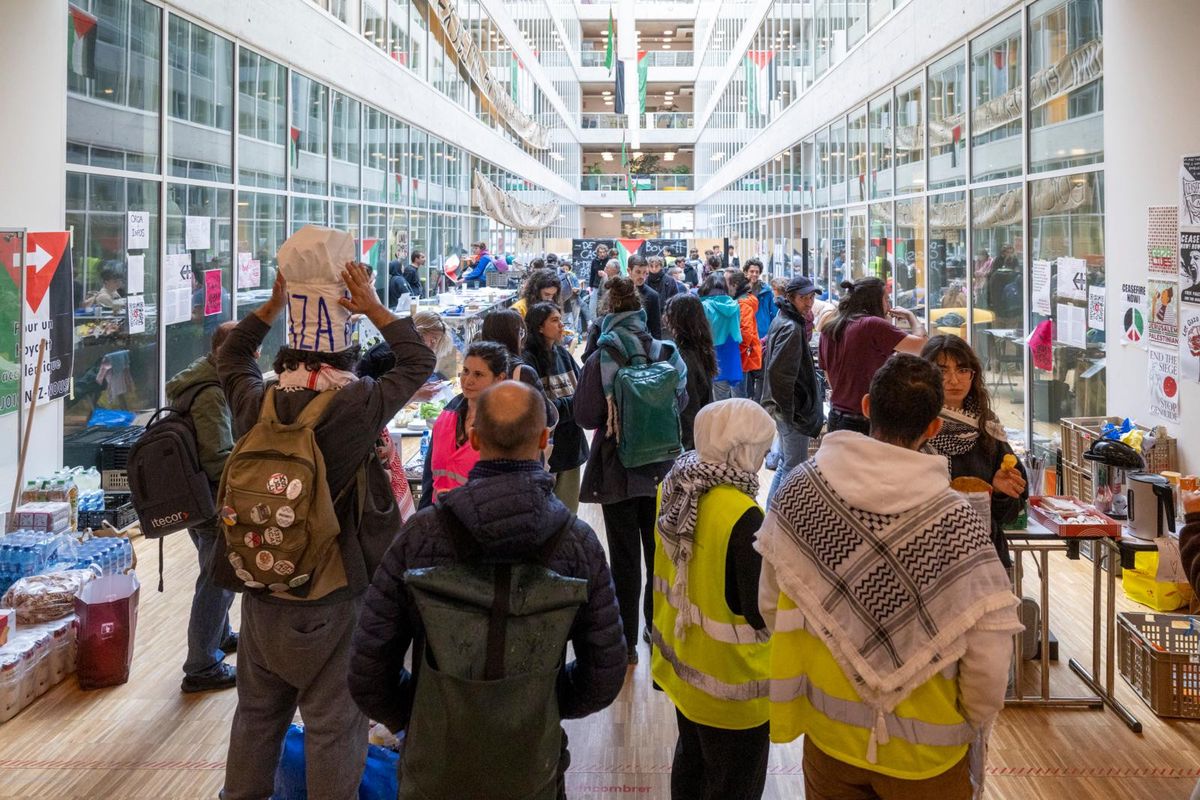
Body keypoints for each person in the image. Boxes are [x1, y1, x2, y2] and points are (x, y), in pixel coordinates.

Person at [216, 226, 436, 800]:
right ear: (346, 343)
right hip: (333, 595)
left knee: (255, 720)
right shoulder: (355, 404)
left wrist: (269, 306)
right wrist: (377, 308)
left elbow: (232, 353)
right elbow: (418, 362)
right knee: (334, 728)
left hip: (260, 588)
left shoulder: (255, 400)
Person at [756, 354, 1021, 800]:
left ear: (865, 406)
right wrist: (972, 716)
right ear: (934, 428)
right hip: (928, 754)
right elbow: (989, 652)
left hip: (830, 739)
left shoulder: (802, 491)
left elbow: (771, 602)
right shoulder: (954, 520)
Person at [349, 380, 627, 798]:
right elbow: (604, 672)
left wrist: (420, 708)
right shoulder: (577, 543)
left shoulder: (421, 535)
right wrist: (545, 700)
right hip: (533, 763)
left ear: (475, 439)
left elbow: (369, 668)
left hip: (435, 763)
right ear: (544, 439)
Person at [651, 399, 775, 800]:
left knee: (691, 768)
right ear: (742, 450)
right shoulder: (743, 515)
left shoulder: (675, 487)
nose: (761, 458)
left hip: (683, 671)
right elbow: (760, 612)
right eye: (759, 448)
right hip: (732, 690)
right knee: (734, 785)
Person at [576, 276, 689, 664]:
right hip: (662, 466)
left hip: (617, 469)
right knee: (659, 553)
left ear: (606, 311)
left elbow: (586, 414)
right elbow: (682, 399)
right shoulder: (665, 351)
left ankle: (626, 643)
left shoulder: (602, 356)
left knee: (623, 558)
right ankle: (655, 629)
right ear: (641, 311)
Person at [166, 320, 238, 694]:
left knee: (211, 571)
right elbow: (217, 457)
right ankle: (201, 664)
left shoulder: (196, 379)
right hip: (212, 498)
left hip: (194, 495)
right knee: (218, 582)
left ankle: (220, 636)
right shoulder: (211, 393)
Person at [921, 335, 1028, 567]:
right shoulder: (914, 426)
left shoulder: (987, 427)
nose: (953, 380)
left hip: (984, 555)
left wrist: (999, 493)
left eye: (962, 370)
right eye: (942, 371)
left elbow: (1010, 513)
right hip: (928, 556)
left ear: (973, 374)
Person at [819, 276, 927, 434]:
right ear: (875, 300)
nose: (889, 305)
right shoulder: (871, 325)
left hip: (836, 416)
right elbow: (921, 345)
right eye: (886, 299)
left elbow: (829, 375)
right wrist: (911, 317)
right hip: (865, 420)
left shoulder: (828, 329)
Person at [419, 341, 510, 509]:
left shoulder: (506, 425)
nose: (468, 381)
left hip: (482, 525)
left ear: (499, 379)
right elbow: (429, 477)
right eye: (465, 371)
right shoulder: (447, 416)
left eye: (478, 374)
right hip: (441, 519)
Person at [761, 275, 826, 506]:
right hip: (792, 411)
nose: (809, 303)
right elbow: (780, 375)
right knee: (793, 465)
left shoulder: (787, 318)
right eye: (803, 298)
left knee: (786, 463)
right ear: (790, 297)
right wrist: (789, 413)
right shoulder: (791, 326)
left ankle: (771, 515)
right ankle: (776, 518)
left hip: (788, 408)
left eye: (811, 297)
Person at [523, 302, 589, 512]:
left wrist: (563, 407)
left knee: (568, 517)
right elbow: (542, 411)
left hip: (571, 448)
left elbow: (584, 394)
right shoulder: (527, 362)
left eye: (560, 319)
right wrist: (573, 404)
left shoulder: (564, 355)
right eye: (554, 320)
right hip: (545, 455)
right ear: (539, 327)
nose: (562, 325)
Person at [663, 293, 716, 451]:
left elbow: (689, 409)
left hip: (691, 443)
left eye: (669, 314)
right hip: (701, 433)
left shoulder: (684, 356)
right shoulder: (701, 347)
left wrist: (686, 451)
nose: (665, 318)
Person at [700, 273, 744, 400]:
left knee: (711, 398)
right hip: (730, 355)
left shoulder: (704, 305)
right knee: (724, 396)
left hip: (710, 353)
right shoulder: (735, 305)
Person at [727, 270, 762, 401]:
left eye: (727, 282)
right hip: (740, 356)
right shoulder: (744, 302)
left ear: (735, 284)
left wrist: (737, 354)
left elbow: (746, 333)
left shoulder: (743, 305)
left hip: (740, 357)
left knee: (739, 398)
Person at [745, 257, 778, 349]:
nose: (754, 274)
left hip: (763, 332)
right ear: (746, 272)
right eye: (751, 271)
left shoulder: (767, 291)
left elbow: (774, 313)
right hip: (746, 331)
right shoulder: (741, 291)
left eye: (757, 272)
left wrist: (770, 333)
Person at [629, 254, 664, 338]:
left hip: (642, 342)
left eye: (645, 273)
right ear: (629, 270)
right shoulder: (618, 290)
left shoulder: (652, 295)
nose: (642, 276)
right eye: (638, 272)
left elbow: (656, 327)